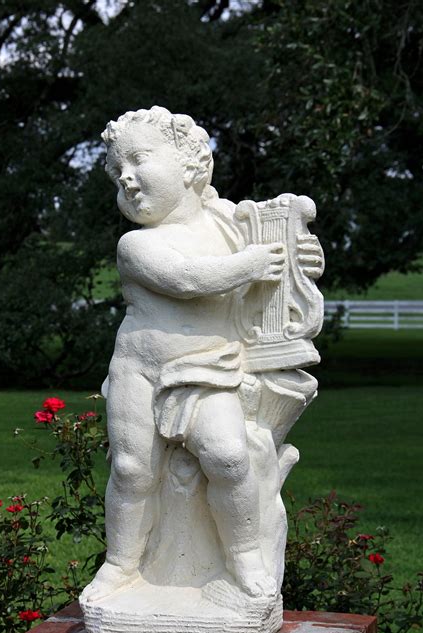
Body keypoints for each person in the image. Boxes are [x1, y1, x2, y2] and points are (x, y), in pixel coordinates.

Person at [81, 107, 306, 603]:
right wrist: (252, 264)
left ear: (190, 164)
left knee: (228, 457)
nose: (126, 178)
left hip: (209, 368)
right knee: (132, 470)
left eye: (139, 160)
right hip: (140, 371)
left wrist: (298, 257)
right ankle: (120, 564)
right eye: (118, 172)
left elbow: (273, 272)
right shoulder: (136, 245)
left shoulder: (230, 226)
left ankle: (244, 556)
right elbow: (186, 279)